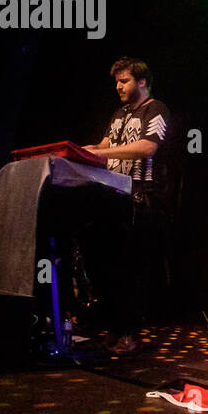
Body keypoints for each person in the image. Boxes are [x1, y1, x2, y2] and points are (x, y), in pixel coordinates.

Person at [81, 57, 172, 355]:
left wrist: (103, 154)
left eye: (125, 81)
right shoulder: (119, 113)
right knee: (104, 264)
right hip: (113, 196)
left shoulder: (155, 109)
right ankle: (113, 328)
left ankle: (130, 333)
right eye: (117, 82)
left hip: (142, 197)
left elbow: (148, 147)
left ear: (142, 81)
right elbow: (105, 144)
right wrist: (81, 151)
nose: (118, 86)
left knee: (131, 267)